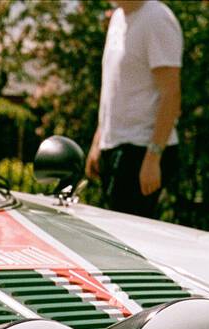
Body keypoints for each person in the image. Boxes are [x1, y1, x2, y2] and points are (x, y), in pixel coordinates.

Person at [85, 0, 182, 219]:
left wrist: (153, 157)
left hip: (142, 151)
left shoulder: (157, 18)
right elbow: (114, 87)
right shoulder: (118, 17)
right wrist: (99, 141)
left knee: (129, 244)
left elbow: (171, 94)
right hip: (116, 147)